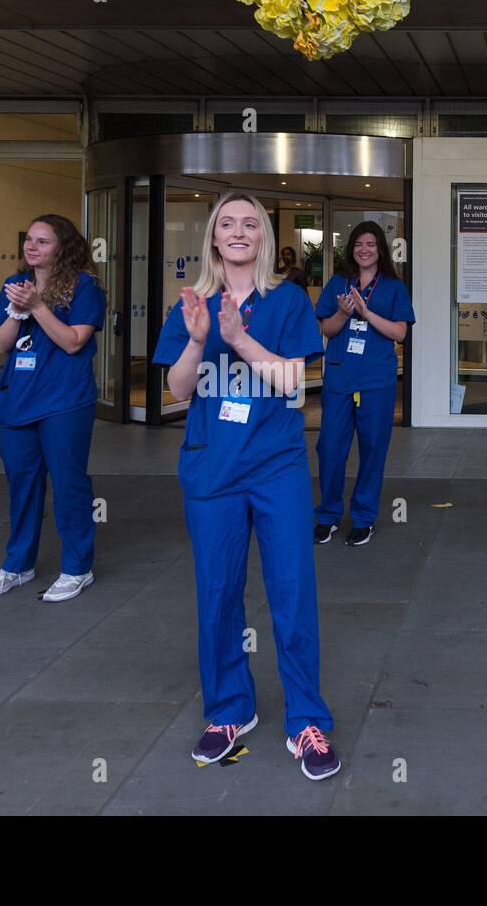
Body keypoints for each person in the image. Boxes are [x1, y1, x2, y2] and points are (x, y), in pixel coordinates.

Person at [152, 191, 340, 781]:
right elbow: (179, 391)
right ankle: (230, 710)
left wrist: (237, 339)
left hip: (276, 468)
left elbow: (291, 380)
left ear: (263, 236)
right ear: (213, 237)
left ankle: (306, 720)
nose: (238, 232)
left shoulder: (287, 301)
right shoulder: (191, 302)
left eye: (249, 224)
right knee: (218, 594)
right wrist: (195, 337)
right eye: (226, 224)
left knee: (291, 592)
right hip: (212, 472)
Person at [0, 214, 105, 602]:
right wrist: (17, 311)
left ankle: (77, 568)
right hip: (20, 398)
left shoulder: (86, 288)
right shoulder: (13, 286)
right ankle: (17, 565)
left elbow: (71, 342)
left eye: (43, 241)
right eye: (29, 240)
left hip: (64, 401)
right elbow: (1, 345)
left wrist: (36, 306)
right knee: (22, 483)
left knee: (68, 484)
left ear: (63, 247)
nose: (31, 247)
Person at [313, 221, 415, 546]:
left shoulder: (394, 288)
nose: (364, 249)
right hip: (340, 379)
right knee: (329, 448)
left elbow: (400, 333)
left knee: (372, 450)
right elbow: (327, 331)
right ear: (351, 249)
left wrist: (366, 312)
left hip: (376, 382)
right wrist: (343, 314)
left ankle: (363, 517)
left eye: (371, 244)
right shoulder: (338, 284)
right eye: (359, 243)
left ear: (380, 249)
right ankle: (328, 515)